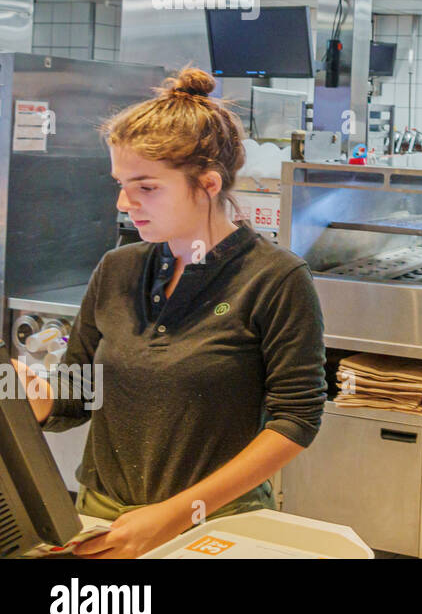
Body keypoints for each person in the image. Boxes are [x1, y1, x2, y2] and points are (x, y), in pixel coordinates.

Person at [9, 66, 327, 558]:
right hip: (100, 521)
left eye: (146, 187)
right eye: (120, 183)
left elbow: (296, 419)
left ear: (207, 183)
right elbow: (77, 392)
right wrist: (37, 395)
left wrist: (176, 516)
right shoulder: (118, 268)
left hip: (215, 526)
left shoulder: (275, 279)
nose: (124, 202)